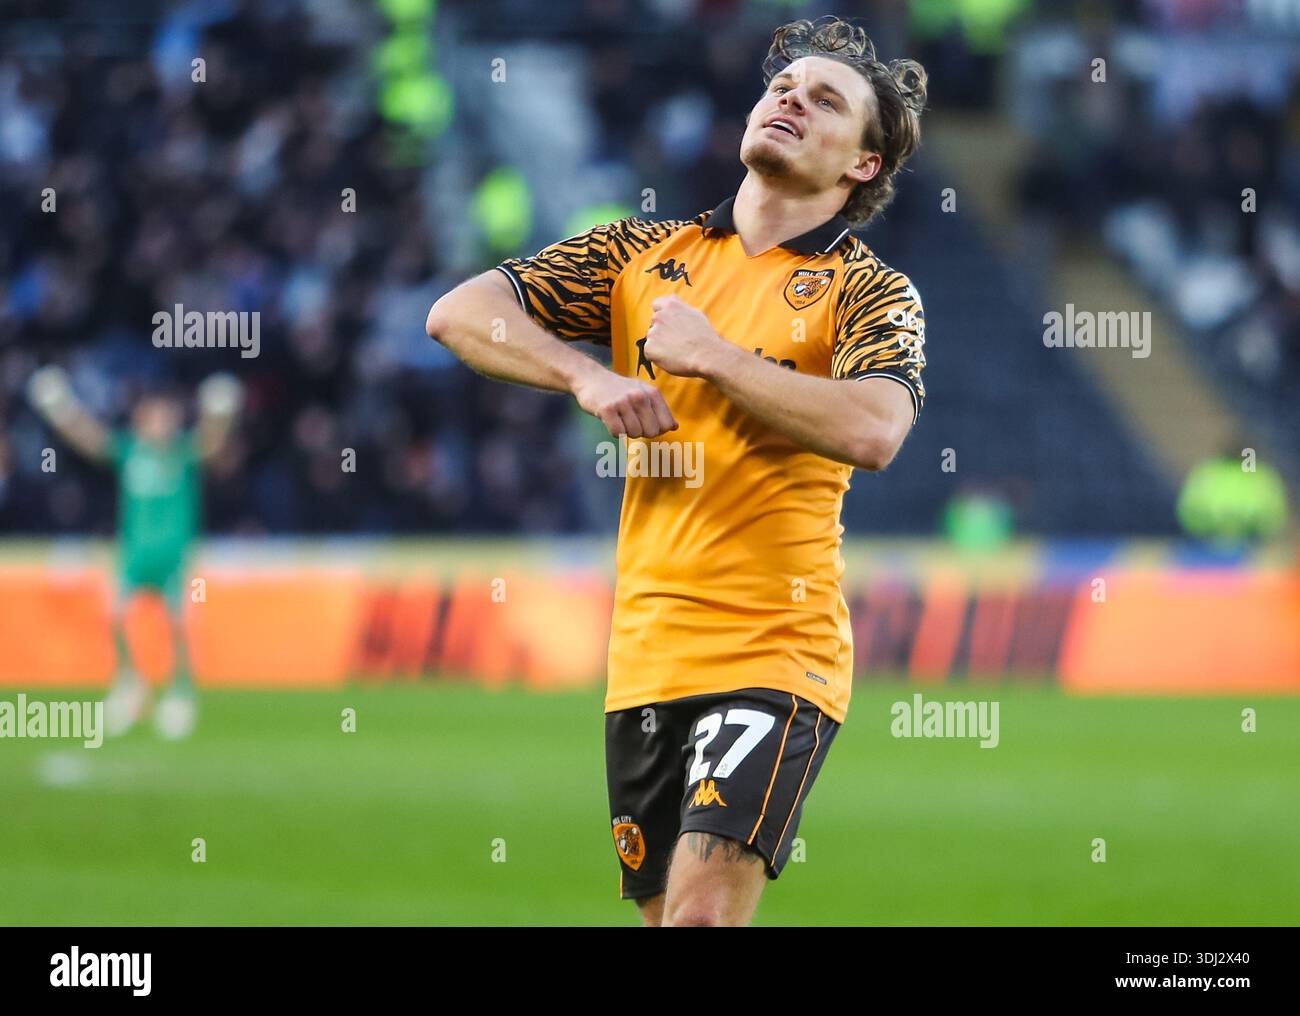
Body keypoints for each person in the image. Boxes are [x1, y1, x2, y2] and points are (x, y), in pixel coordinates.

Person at [425, 15, 928, 926]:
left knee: (701, 921)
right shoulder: (639, 256)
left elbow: (877, 428)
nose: (791, 100)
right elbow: (460, 311)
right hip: (647, 657)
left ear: (862, 165)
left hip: (775, 651)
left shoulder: (869, 290)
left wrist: (718, 356)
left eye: (826, 101)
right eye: (784, 87)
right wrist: (585, 373)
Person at [27, 366, 242, 739]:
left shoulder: (182, 453)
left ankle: (181, 692)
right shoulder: (131, 452)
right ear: (141, 419)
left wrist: (221, 413)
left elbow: (213, 441)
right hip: (134, 556)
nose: (161, 423)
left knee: (179, 624)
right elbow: (88, 439)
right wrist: (60, 408)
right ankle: (131, 682)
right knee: (113, 616)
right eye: (154, 416)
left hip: (173, 559)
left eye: (167, 416)